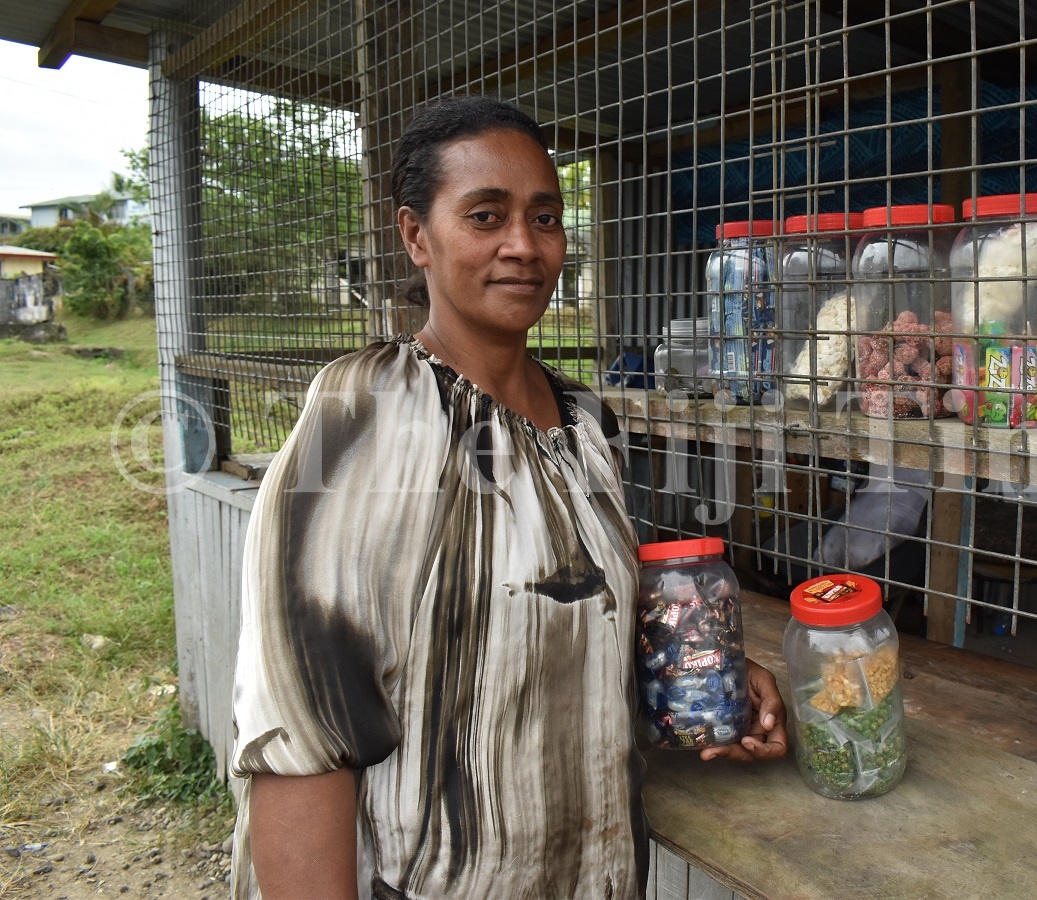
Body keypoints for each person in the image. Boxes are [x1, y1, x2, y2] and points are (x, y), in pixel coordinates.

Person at [228, 95, 788, 900]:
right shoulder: (367, 414)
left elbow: (569, 616)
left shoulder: (583, 418)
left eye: (546, 217)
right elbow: (299, 725)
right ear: (416, 236)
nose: (523, 247)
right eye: (484, 217)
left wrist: (710, 676)